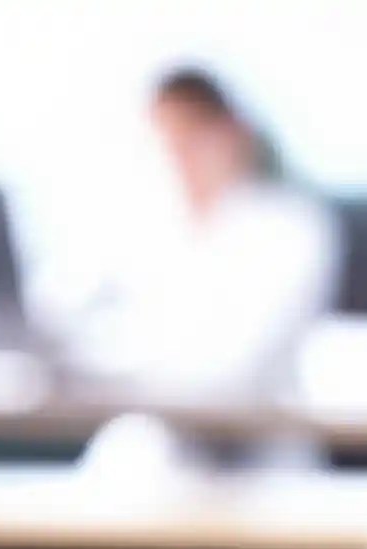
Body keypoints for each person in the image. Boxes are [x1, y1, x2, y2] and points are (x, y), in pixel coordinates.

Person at [73, 67, 340, 476]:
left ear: (232, 134)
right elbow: (81, 310)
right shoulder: (150, 227)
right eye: (166, 142)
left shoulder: (288, 228)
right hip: (161, 452)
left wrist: (128, 364)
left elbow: (233, 368)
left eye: (190, 140)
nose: (178, 158)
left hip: (257, 461)